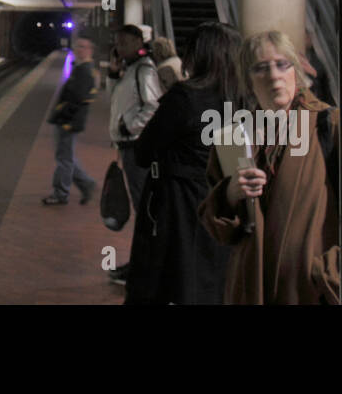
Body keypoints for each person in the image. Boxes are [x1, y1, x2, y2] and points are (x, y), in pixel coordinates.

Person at [198, 30, 341, 304]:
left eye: (282, 64)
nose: (273, 76)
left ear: (296, 71)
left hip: (309, 292)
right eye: (260, 68)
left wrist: (330, 271)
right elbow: (221, 230)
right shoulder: (232, 139)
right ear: (248, 80)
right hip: (252, 288)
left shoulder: (328, 125)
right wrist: (230, 192)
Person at [125, 22, 240, 304]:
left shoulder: (184, 98)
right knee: (208, 280)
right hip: (221, 201)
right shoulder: (242, 101)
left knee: (162, 280)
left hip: (174, 203)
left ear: (196, 55)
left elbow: (143, 152)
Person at [105, 24, 163, 284]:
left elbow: (153, 105)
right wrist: (113, 73)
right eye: (118, 42)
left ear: (139, 41)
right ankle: (142, 264)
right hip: (128, 147)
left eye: (126, 42)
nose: (121, 47)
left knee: (144, 210)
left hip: (138, 148)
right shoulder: (128, 69)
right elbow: (116, 99)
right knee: (141, 209)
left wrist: (130, 128)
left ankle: (145, 269)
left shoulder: (145, 69)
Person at [43, 36, 99, 206]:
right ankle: (87, 184)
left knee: (64, 159)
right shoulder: (81, 68)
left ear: (90, 50)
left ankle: (61, 193)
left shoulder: (84, 71)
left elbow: (77, 98)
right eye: (77, 46)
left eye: (83, 46)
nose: (78, 49)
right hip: (68, 120)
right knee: (66, 156)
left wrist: (64, 116)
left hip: (68, 121)